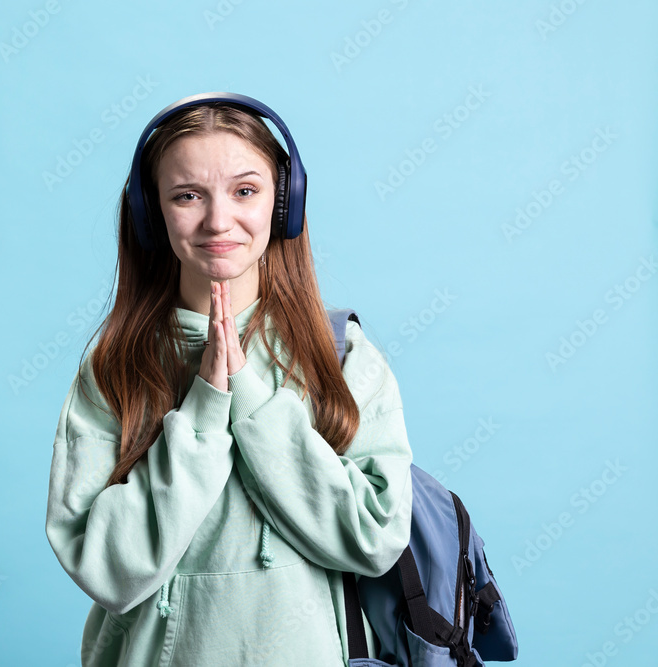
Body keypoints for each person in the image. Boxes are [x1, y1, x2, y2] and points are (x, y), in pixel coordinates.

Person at [45, 92, 413, 666]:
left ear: (283, 203)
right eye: (187, 195)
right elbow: (106, 569)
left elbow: (377, 538)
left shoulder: (341, 355)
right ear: (151, 211)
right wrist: (204, 410)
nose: (219, 220)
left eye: (245, 191)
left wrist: (252, 400)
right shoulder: (113, 366)